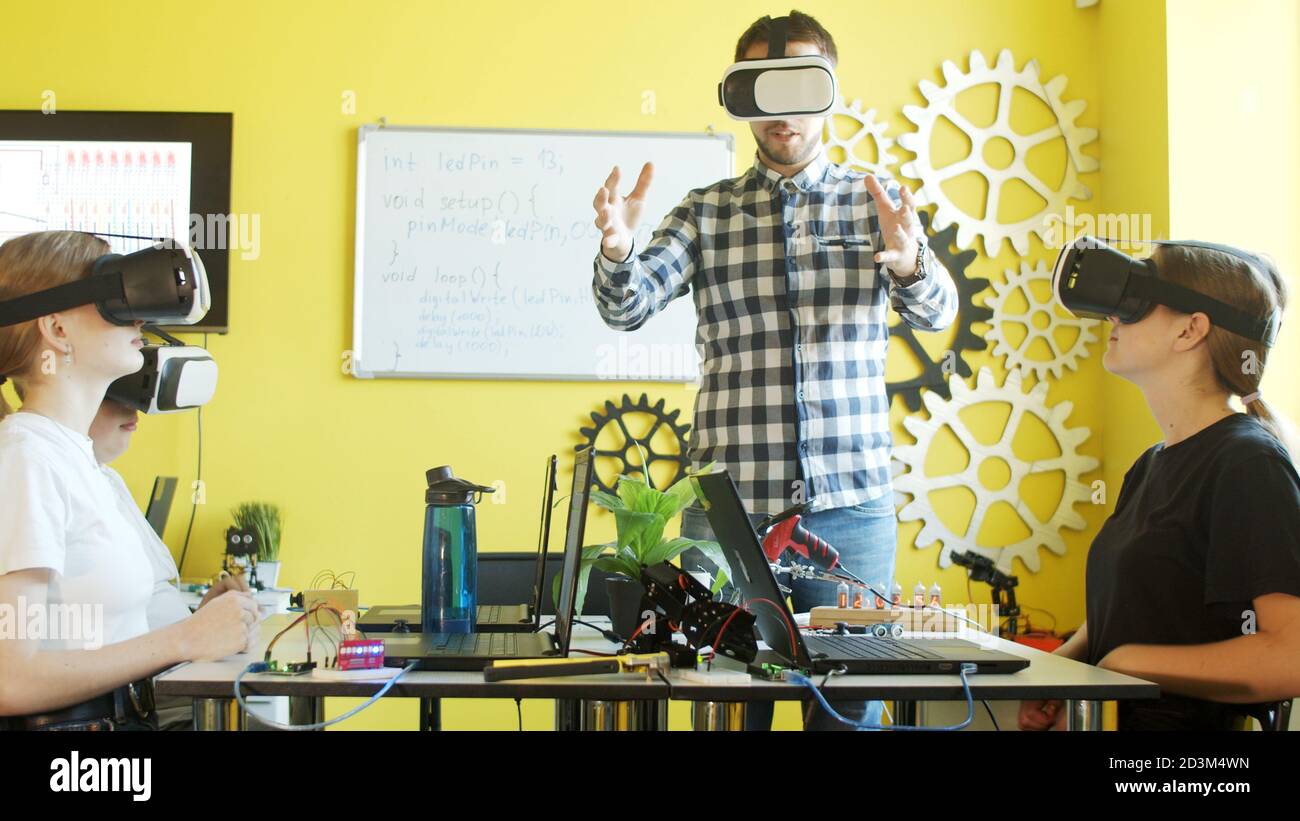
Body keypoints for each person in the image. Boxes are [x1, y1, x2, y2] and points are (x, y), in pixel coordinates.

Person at [589, 11, 958, 730]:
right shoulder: (704, 212)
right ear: (741, 97)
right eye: (764, 89)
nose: (783, 111)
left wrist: (911, 261)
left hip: (851, 506)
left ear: (829, 91)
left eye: (800, 87)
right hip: (730, 513)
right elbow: (625, 307)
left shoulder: (875, 203)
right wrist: (617, 250)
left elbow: (937, 311)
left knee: (850, 703)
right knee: (725, 697)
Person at [1019, 242, 1300, 731]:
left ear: (1190, 330)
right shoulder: (1151, 465)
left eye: (1136, 304)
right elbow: (1135, 605)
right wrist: (1060, 669)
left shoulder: (1248, 463)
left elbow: (1290, 657)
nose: (1113, 318)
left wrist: (1127, 664)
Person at [0, 230, 256, 731]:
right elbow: (10, 680)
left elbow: (101, 635)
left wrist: (196, 625)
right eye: (116, 304)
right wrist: (183, 640)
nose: (139, 319)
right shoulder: (27, 459)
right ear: (56, 328)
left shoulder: (75, 460)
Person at [88, 397, 254, 729]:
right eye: (111, 394)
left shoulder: (107, 478)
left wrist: (201, 618)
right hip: (155, 707)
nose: (134, 409)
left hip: (174, 690)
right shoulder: (35, 470)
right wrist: (188, 636)